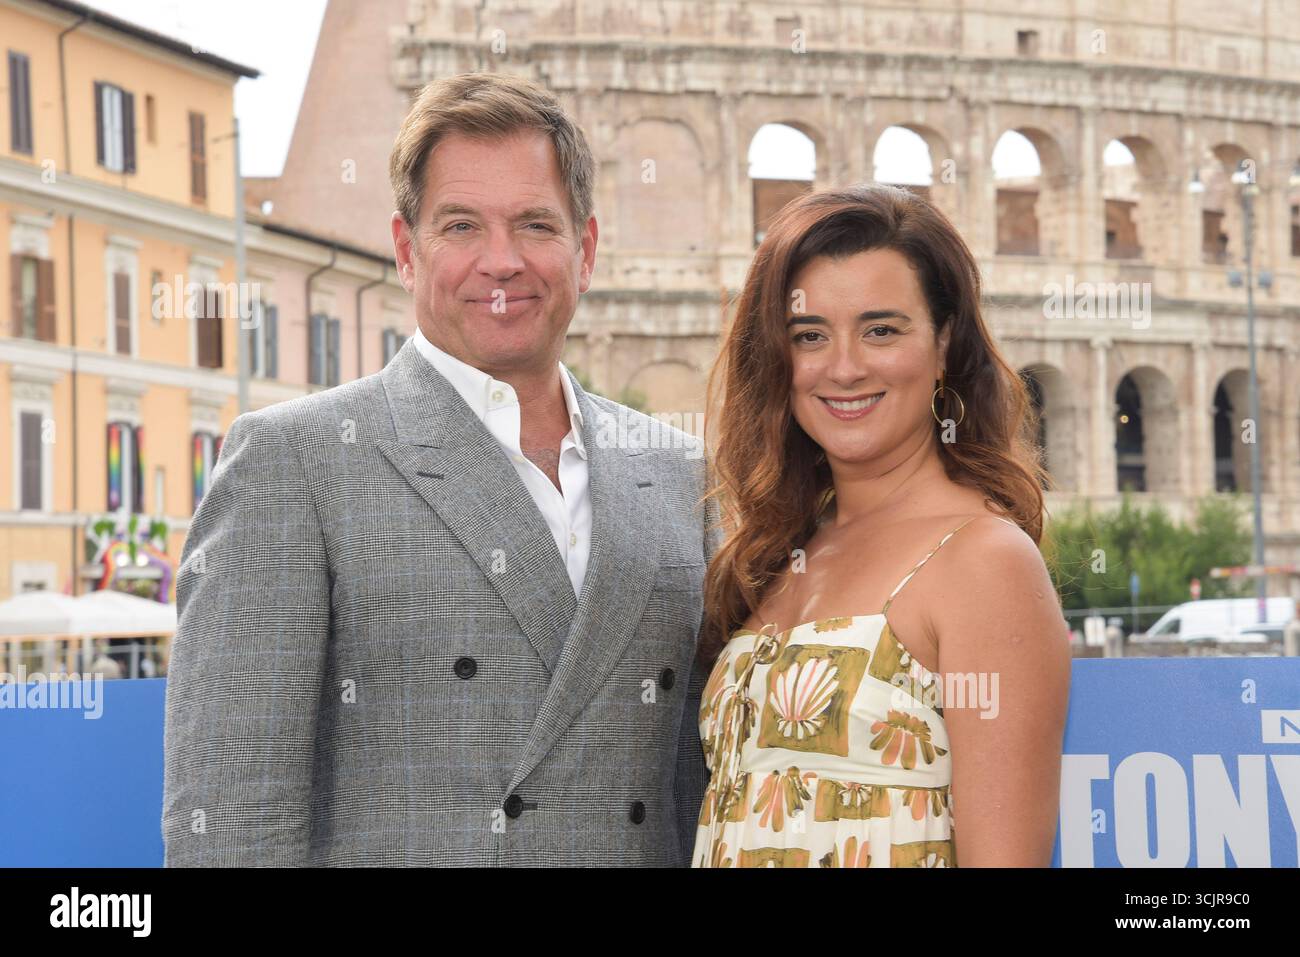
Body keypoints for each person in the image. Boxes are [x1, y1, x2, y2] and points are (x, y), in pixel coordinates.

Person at [163, 72, 715, 867]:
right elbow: (229, 823)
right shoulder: (294, 462)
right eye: (460, 225)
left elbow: (698, 789)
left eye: (535, 224)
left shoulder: (678, 473)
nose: (502, 262)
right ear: (405, 250)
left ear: (584, 250)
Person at [693, 184, 1071, 868]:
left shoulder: (984, 561)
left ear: (945, 344)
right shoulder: (779, 553)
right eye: (809, 335)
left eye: (881, 329)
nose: (843, 367)